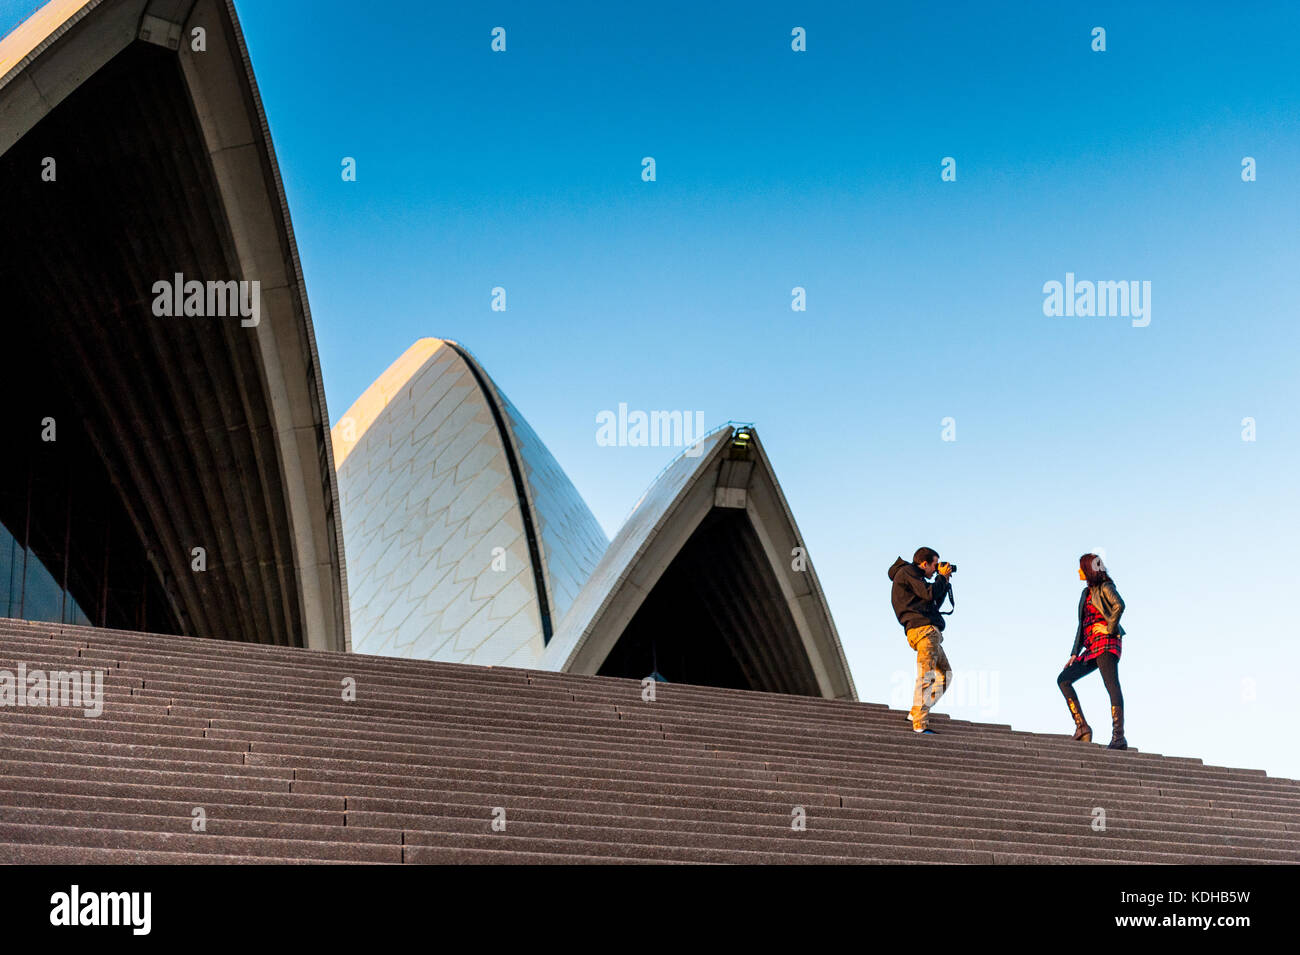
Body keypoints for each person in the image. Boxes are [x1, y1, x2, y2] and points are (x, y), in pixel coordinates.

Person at [1057, 553, 1128, 750]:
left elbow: (1119, 606)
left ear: (1089, 569)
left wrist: (1109, 628)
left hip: (1106, 642)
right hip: (1091, 647)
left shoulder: (1105, 587)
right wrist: (1074, 653)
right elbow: (1082, 625)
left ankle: (1118, 737)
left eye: (1081, 567)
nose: (1078, 571)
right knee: (1063, 679)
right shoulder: (1085, 593)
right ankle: (1082, 727)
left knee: (1111, 685)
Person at [888, 547, 954, 734]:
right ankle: (920, 724)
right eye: (935, 565)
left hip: (927, 631)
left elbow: (933, 604)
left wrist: (944, 581)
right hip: (924, 632)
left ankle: (917, 711)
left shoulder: (915, 580)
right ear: (924, 563)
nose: (936, 570)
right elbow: (929, 594)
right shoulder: (907, 572)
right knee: (927, 676)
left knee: (946, 674)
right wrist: (941, 578)